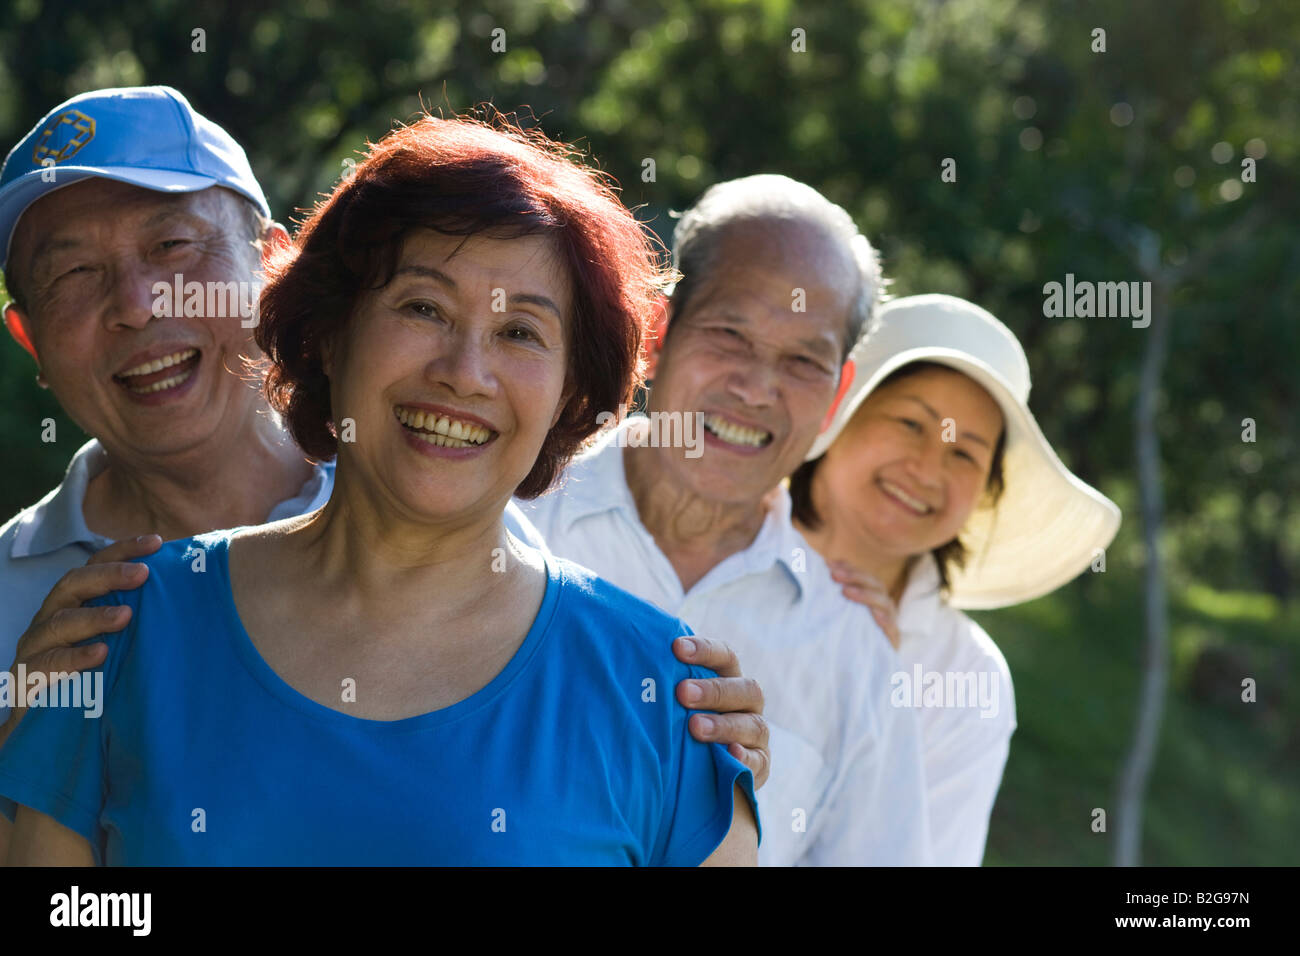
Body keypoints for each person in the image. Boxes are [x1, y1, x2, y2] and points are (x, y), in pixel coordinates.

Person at [0, 98, 761, 863]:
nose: (465, 373)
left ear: (572, 389)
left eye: (521, 331)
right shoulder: (115, 633)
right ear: (329, 332)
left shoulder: (664, 696)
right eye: (422, 307)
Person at [516, 174, 933, 866]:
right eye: (729, 334)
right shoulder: (505, 513)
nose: (755, 387)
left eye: (803, 360)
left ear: (837, 399)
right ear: (656, 334)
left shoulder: (855, 658)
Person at [790, 293, 1121, 865]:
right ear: (839, 411)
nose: (927, 469)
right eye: (910, 423)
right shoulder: (711, 544)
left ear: (987, 491)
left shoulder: (967, 677)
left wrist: (871, 704)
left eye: (965, 454)